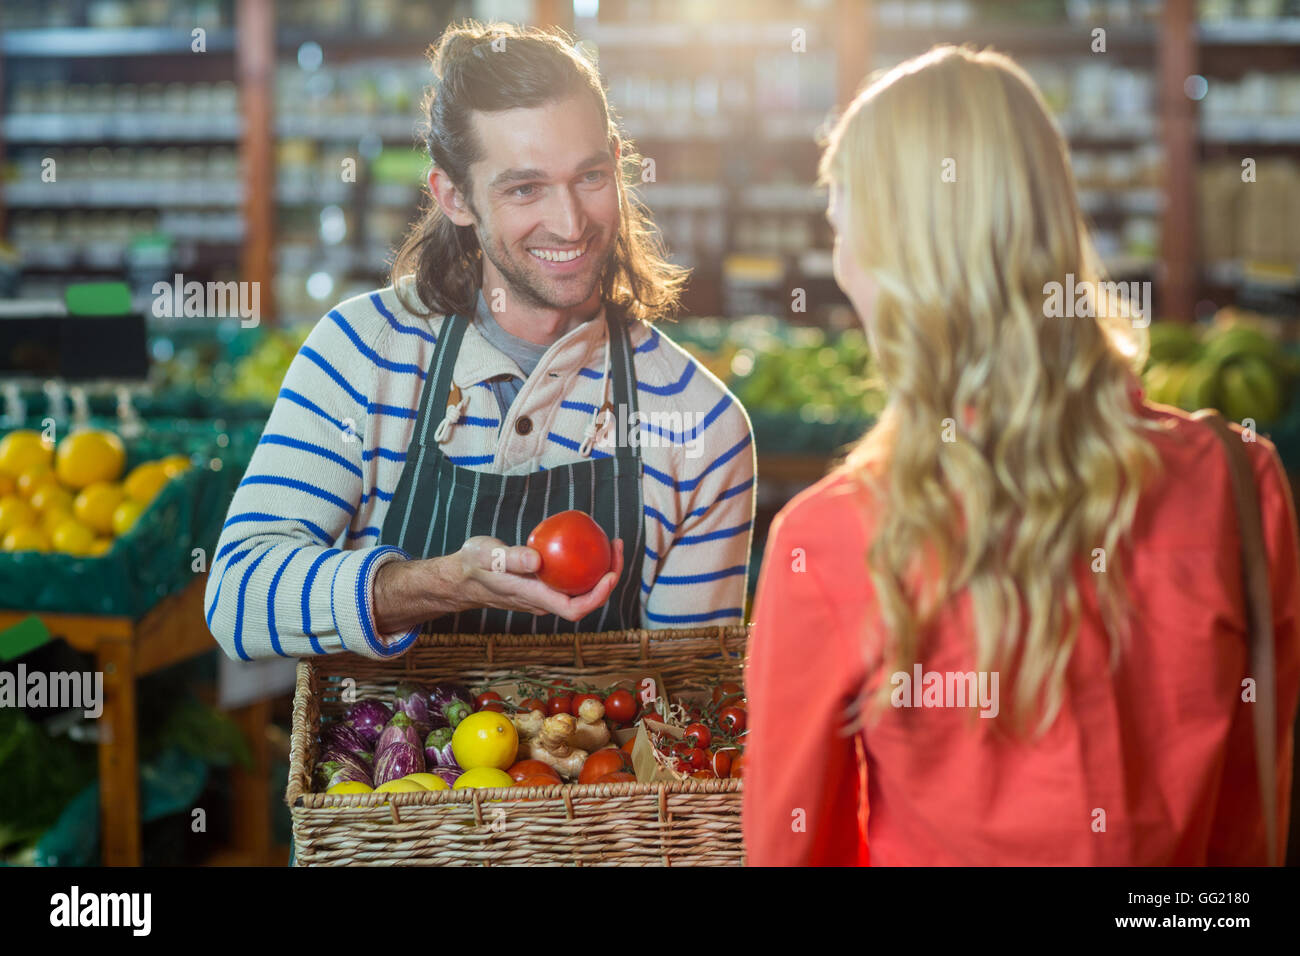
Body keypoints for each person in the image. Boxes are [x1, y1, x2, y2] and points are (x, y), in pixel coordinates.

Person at [743, 45, 1300, 866]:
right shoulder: (1238, 483)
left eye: (841, 231)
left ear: (894, 265)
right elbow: (1256, 808)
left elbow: (795, 848)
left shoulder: (826, 542)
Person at [205, 22, 755, 661]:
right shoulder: (364, 353)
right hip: (381, 761)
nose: (570, 222)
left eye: (590, 176)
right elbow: (235, 601)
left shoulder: (702, 428)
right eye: (525, 188)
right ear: (454, 197)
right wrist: (437, 584)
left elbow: (684, 702)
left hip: (584, 764)